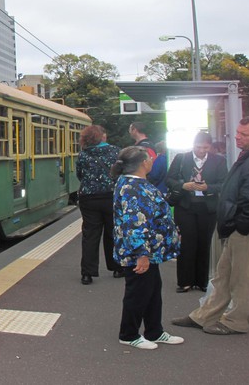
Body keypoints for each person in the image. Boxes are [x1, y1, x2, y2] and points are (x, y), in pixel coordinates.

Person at [172, 115, 249, 335]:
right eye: (237, 132)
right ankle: (204, 315)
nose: (237, 137)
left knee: (242, 277)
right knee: (224, 273)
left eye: (244, 134)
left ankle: (237, 321)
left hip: (248, 227)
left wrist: (242, 225)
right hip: (242, 225)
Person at [112, 146, 183, 349]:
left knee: (152, 290)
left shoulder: (133, 183)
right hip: (139, 252)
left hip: (149, 250)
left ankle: (154, 331)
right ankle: (128, 334)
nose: (152, 161)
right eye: (150, 159)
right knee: (138, 292)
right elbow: (135, 223)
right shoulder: (133, 188)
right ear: (144, 163)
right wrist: (141, 254)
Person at [166, 131, 228, 293]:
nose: (201, 150)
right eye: (198, 147)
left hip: (207, 207)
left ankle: (202, 281)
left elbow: (223, 183)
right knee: (187, 243)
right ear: (193, 145)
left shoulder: (219, 161)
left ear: (210, 147)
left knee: (204, 243)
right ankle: (185, 281)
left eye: (205, 147)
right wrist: (183, 185)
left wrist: (208, 188)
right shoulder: (181, 158)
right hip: (185, 206)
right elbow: (169, 179)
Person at [75, 125, 123, 285]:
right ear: (102, 136)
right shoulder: (116, 152)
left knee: (90, 234)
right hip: (111, 196)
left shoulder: (83, 154)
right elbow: (121, 173)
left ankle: (87, 274)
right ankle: (117, 268)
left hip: (89, 198)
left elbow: (79, 174)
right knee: (112, 232)